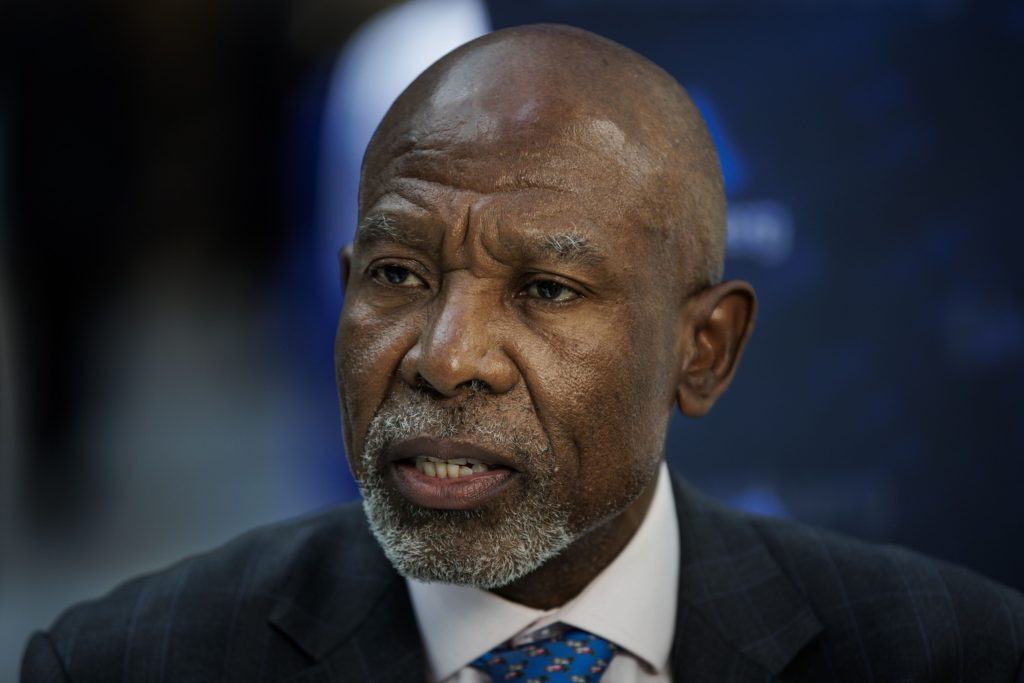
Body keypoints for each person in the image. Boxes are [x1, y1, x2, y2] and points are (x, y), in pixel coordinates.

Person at [21, 24, 1024, 683]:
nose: (446, 357)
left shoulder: (949, 654)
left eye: (546, 288)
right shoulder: (126, 662)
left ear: (704, 348)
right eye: (398, 275)